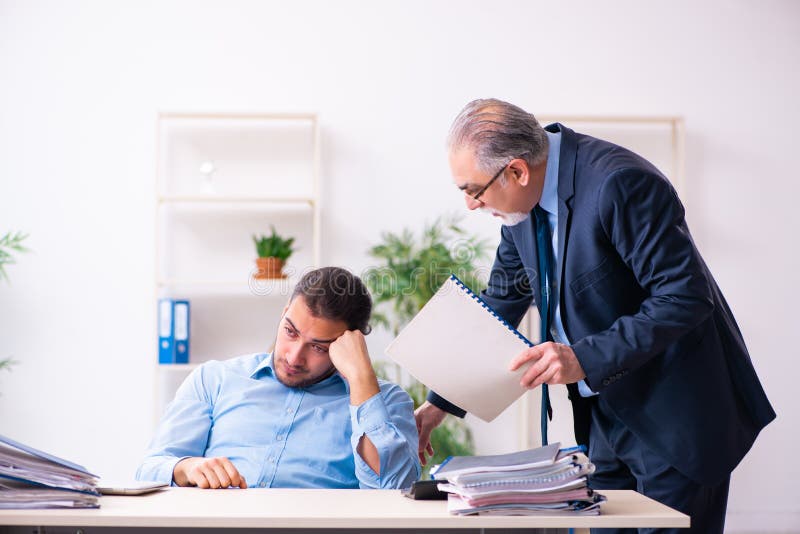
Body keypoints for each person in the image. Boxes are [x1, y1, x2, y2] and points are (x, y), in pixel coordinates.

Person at [414, 99, 775, 533]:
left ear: (517, 171)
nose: (472, 205)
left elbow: (684, 296)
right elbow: (501, 304)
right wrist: (439, 405)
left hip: (675, 415)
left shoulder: (619, 183)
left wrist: (583, 357)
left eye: (473, 190)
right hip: (605, 416)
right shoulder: (519, 207)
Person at [137, 267, 420, 490]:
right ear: (284, 311)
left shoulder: (387, 402)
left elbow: (393, 491)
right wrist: (185, 468)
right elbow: (149, 469)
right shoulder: (214, 379)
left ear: (350, 343)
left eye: (319, 347)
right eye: (290, 332)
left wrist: (361, 379)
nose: (295, 357)